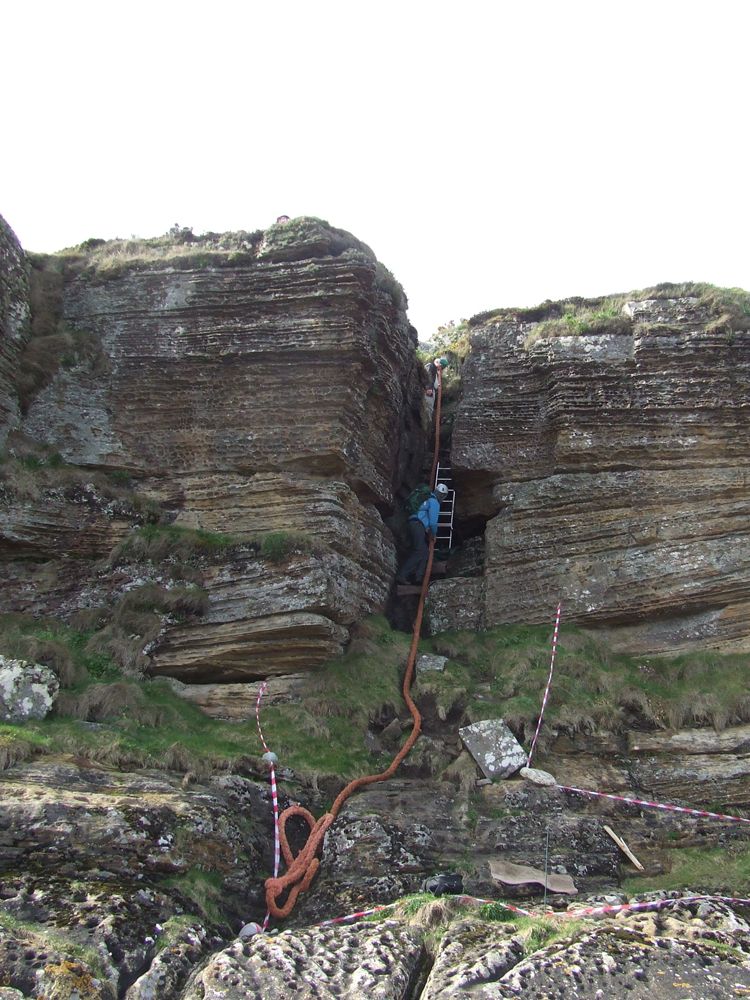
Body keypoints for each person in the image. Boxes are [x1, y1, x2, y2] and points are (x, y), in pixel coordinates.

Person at [397, 483, 449, 585]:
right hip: (418, 525)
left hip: (413, 523)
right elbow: (433, 522)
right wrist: (433, 534)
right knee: (420, 550)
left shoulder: (426, 499)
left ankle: (418, 577)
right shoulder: (434, 502)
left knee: (424, 551)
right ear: (442, 495)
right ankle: (402, 575)